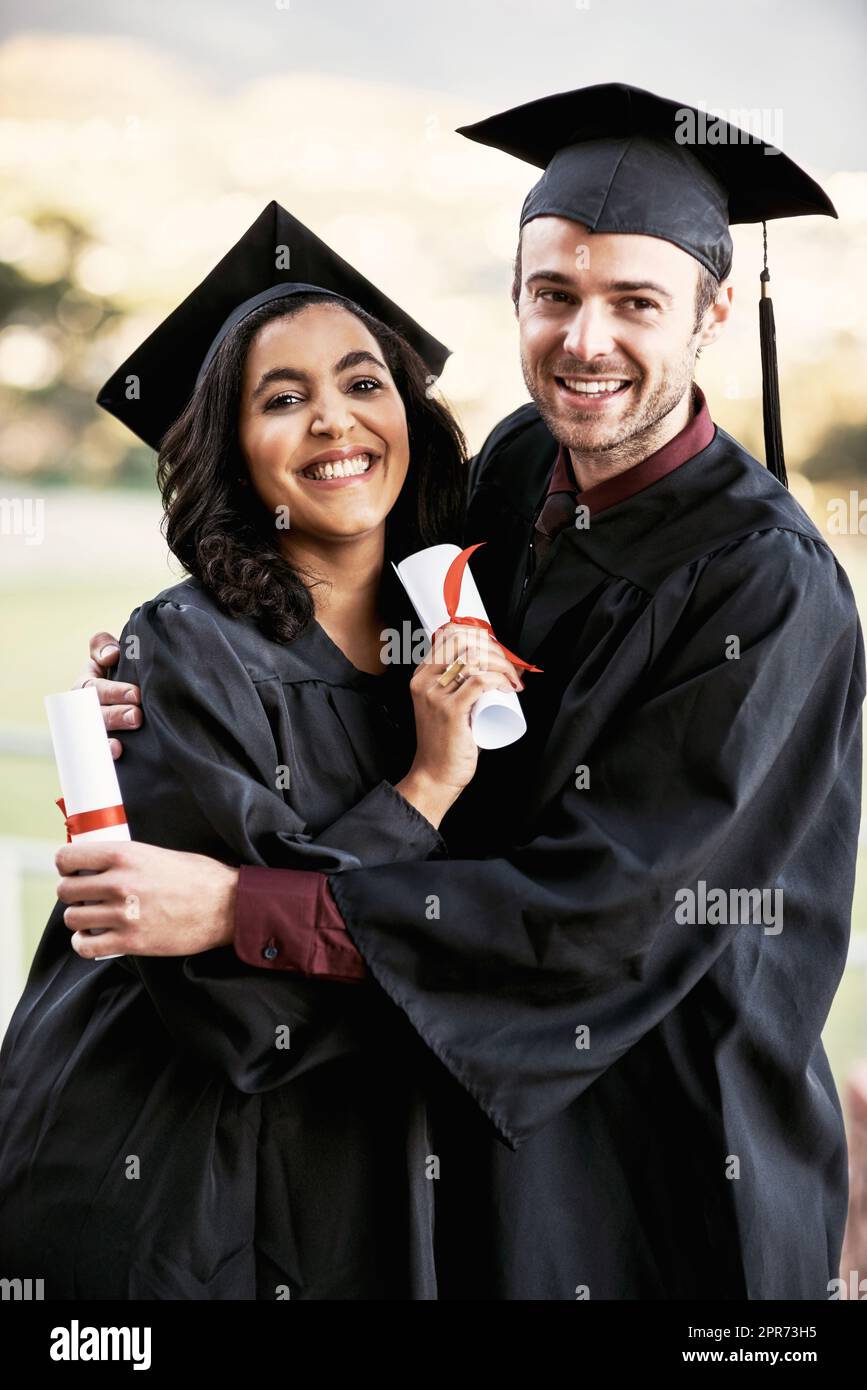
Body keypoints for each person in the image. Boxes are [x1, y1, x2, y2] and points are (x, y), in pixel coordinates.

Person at [65, 85, 865, 1299]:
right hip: (466, 1129)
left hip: (668, 1145)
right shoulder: (518, 466)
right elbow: (340, 585)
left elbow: (604, 914)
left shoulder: (768, 587)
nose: (585, 340)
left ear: (711, 314)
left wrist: (242, 904)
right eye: (555, 293)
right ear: (516, 296)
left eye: (635, 302)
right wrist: (167, 669)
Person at [0, 201, 521, 1299]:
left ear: (410, 416)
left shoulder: (457, 644)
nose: (334, 420)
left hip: (368, 1179)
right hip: (175, 1183)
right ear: (234, 453)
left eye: (363, 382)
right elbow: (248, 1013)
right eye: (282, 400)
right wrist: (425, 791)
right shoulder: (182, 652)